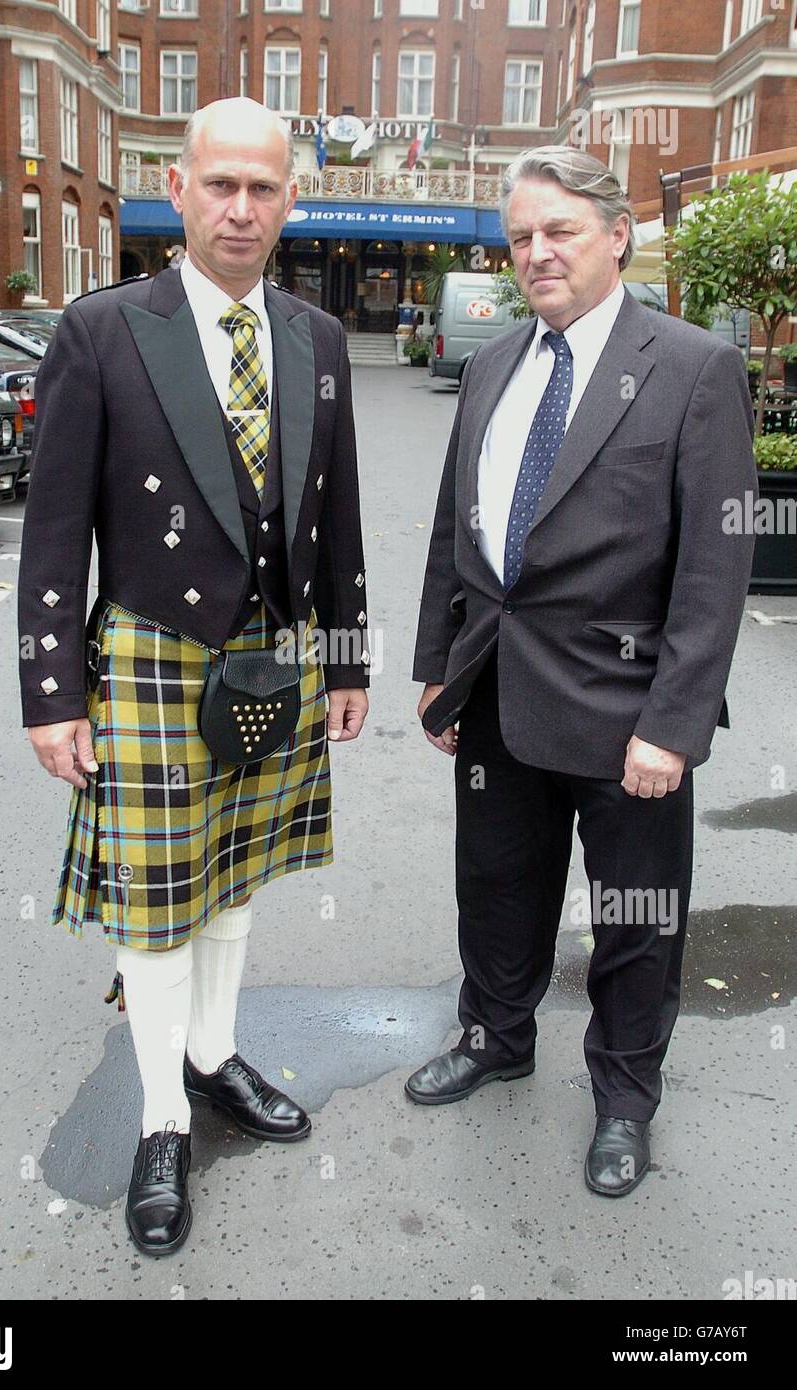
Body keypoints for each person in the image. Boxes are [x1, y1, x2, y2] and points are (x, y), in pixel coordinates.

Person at [17, 97, 370, 1254]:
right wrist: (52, 690)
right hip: (156, 655)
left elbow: (338, 515)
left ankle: (214, 1056)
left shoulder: (316, 339)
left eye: (263, 187)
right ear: (180, 189)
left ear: (289, 198)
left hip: (278, 648)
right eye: (220, 185)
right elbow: (55, 526)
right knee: (162, 899)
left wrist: (350, 654)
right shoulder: (107, 329)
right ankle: (163, 1115)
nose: (241, 207)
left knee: (239, 875)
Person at [408, 145, 756, 1196]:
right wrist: (437, 665)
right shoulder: (492, 366)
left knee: (636, 920)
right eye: (520, 236)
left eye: (559, 230)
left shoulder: (694, 368)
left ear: (618, 235)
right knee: (497, 890)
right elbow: (452, 534)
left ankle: (624, 1097)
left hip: (627, 712)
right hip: (499, 692)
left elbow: (715, 566)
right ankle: (497, 1034)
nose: (537, 253)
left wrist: (675, 725)